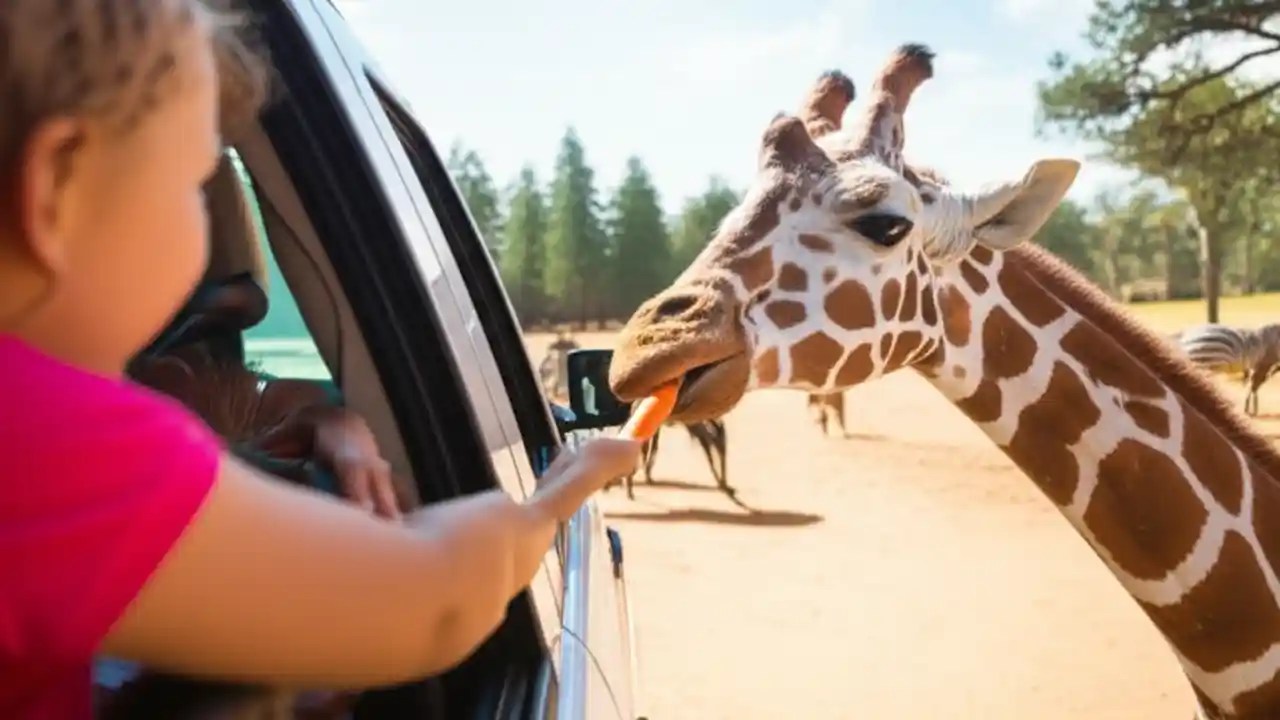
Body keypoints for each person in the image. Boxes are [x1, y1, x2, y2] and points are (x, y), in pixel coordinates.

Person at [0, 3, 641, 719]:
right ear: (56, 184)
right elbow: (432, 604)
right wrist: (561, 491)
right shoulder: (47, 441)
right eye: (191, 185)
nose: (207, 239)